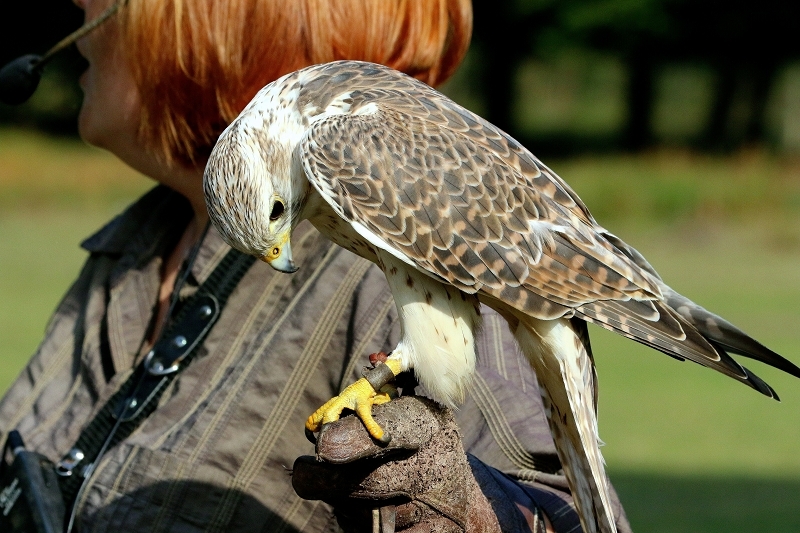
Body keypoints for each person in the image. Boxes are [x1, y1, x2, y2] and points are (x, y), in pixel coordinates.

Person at [0, 0, 633, 531]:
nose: (82, 2)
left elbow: (566, 509)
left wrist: (475, 511)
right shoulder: (133, 247)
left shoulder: (398, 217)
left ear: (228, 25)